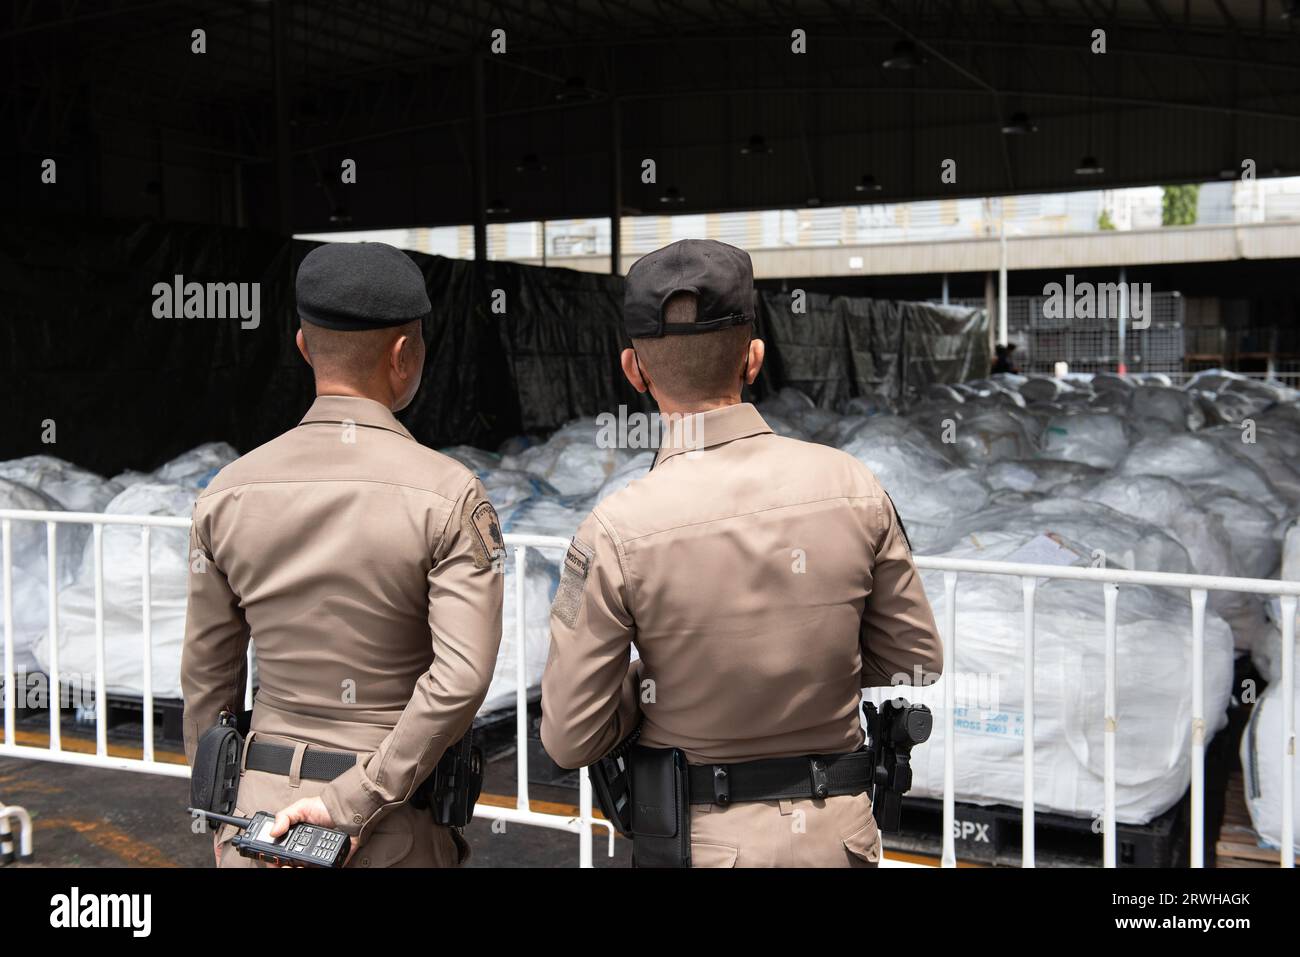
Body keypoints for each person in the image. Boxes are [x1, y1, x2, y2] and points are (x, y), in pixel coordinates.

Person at [539, 239, 943, 867]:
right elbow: (916, 660)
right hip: (841, 839)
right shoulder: (855, 487)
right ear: (754, 358)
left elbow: (570, 736)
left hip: (702, 843)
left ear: (634, 371)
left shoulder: (611, 533)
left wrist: (656, 682)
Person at [181, 242, 504, 868]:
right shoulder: (447, 495)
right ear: (405, 356)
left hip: (256, 816)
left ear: (304, 348)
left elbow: (206, 676)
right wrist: (356, 799)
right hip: (386, 821)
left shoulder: (228, 491)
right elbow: (460, 678)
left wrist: (221, 808)